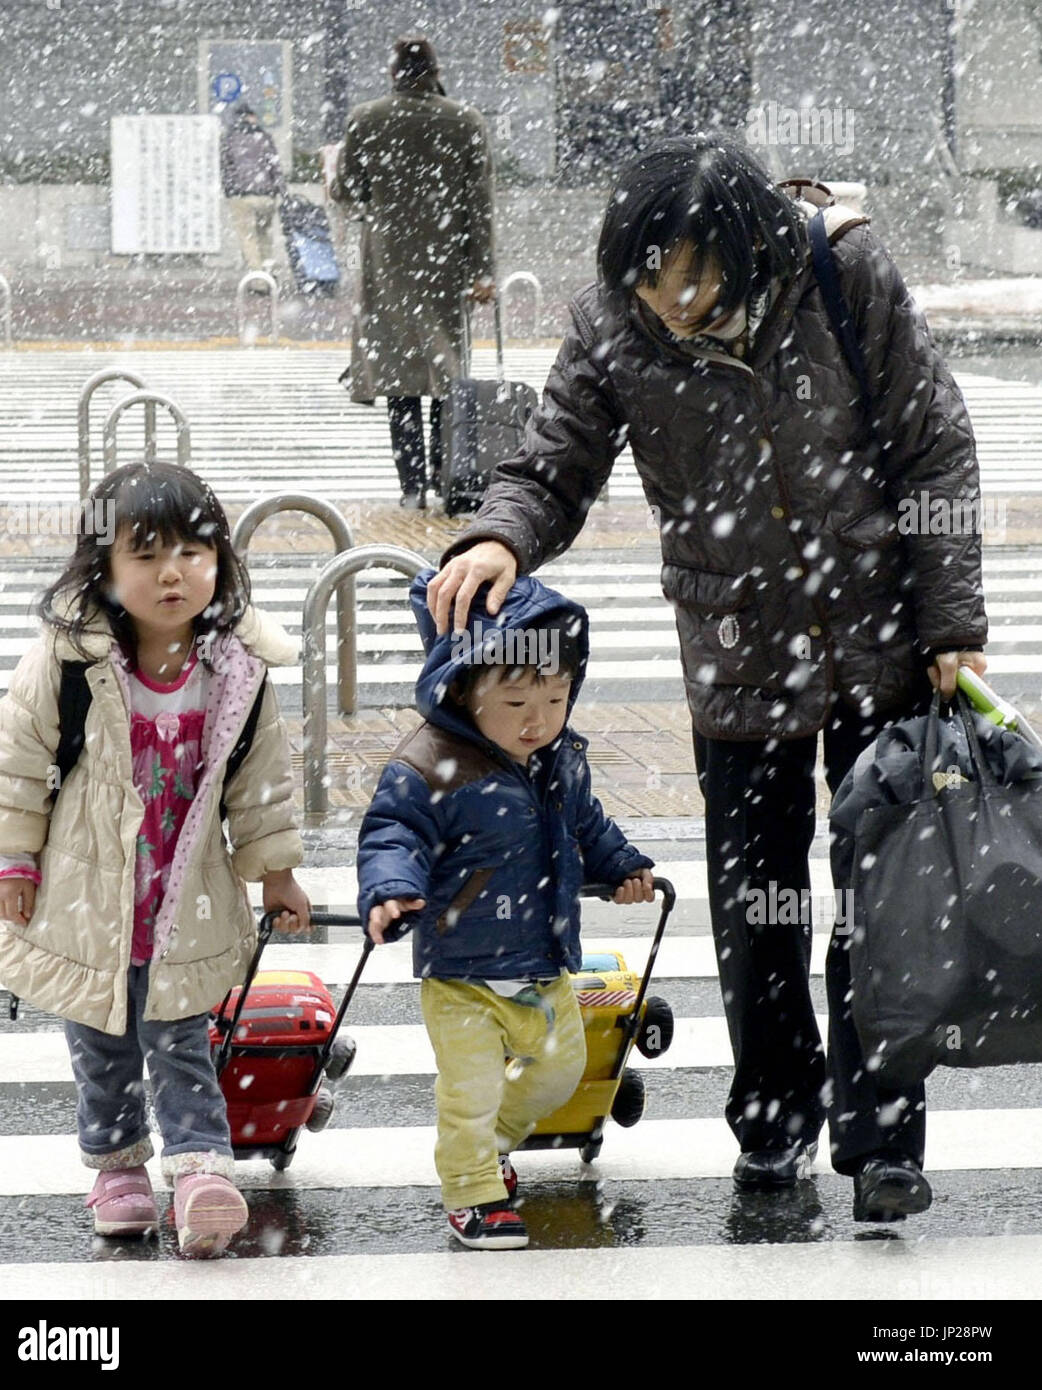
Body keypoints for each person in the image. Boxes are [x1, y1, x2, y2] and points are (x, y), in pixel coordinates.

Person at [426, 135, 990, 1223]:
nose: (671, 301)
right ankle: (776, 1118)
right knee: (758, 907)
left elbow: (935, 445)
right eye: (649, 274)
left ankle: (881, 1137)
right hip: (737, 652)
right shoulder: (609, 322)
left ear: (749, 248)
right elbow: (554, 463)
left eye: (695, 274)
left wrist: (951, 620)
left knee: (884, 900)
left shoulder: (842, 273)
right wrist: (498, 536)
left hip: (878, 642)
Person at [0, 462, 311, 1257]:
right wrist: (11, 864)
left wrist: (276, 870)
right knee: (99, 1038)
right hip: (90, 895)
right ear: (105, 567)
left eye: (194, 551)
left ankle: (200, 1169)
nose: (173, 573)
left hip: (181, 893)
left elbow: (258, 780)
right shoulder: (70, 662)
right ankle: (117, 1165)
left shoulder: (234, 669)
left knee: (180, 1034)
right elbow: (17, 762)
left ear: (220, 561)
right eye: (147, 553)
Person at [357, 571, 655, 1249]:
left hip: (539, 959)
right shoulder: (429, 766)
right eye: (517, 700)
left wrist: (622, 866)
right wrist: (390, 889)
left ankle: (486, 1146)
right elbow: (391, 833)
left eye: (556, 698)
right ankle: (471, 1190)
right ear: (462, 691)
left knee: (558, 1070)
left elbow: (588, 825)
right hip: (461, 969)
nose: (539, 719)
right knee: (469, 1089)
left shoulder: (559, 759)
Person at [330, 36, 496, 509]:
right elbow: (479, 204)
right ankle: (450, 479)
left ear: (394, 72)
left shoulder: (367, 119)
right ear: (436, 71)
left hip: (389, 265)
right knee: (447, 378)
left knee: (400, 381)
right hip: (448, 263)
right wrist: (483, 270)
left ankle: (411, 488)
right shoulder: (466, 121)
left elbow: (349, 190)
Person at [221, 104, 285, 275]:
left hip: (242, 196)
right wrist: (281, 191)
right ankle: (269, 274)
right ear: (251, 117)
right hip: (266, 196)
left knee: (248, 239)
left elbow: (226, 168)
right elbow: (275, 167)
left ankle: (258, 280)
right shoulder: (264, 137)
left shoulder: (230, 139)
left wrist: (229, 191)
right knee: (264, 236)